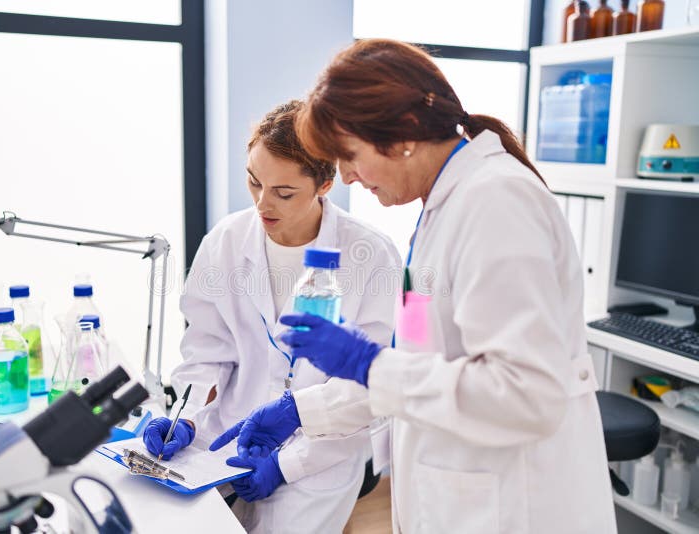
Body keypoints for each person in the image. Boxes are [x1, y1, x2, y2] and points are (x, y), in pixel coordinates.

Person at [211, 40, 617, 533]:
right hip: (450, 495)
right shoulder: (438, 213)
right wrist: (304, 408)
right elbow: (415, 370)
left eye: (350, 155)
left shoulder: (496, 202)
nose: (345, 177)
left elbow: (525, 393)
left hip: (513, 505)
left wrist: (366, 362)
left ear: (402, 134)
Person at [144, 100, 401, 533]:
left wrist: (286, 465)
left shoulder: (370, 255)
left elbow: (366, 383)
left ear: (325, 183)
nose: (264, 204)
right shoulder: (225, 241)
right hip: (222, 441)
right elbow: (206, 350)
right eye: (254, 182)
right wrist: (185, 414)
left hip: (319, 453)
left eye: (284, 193)